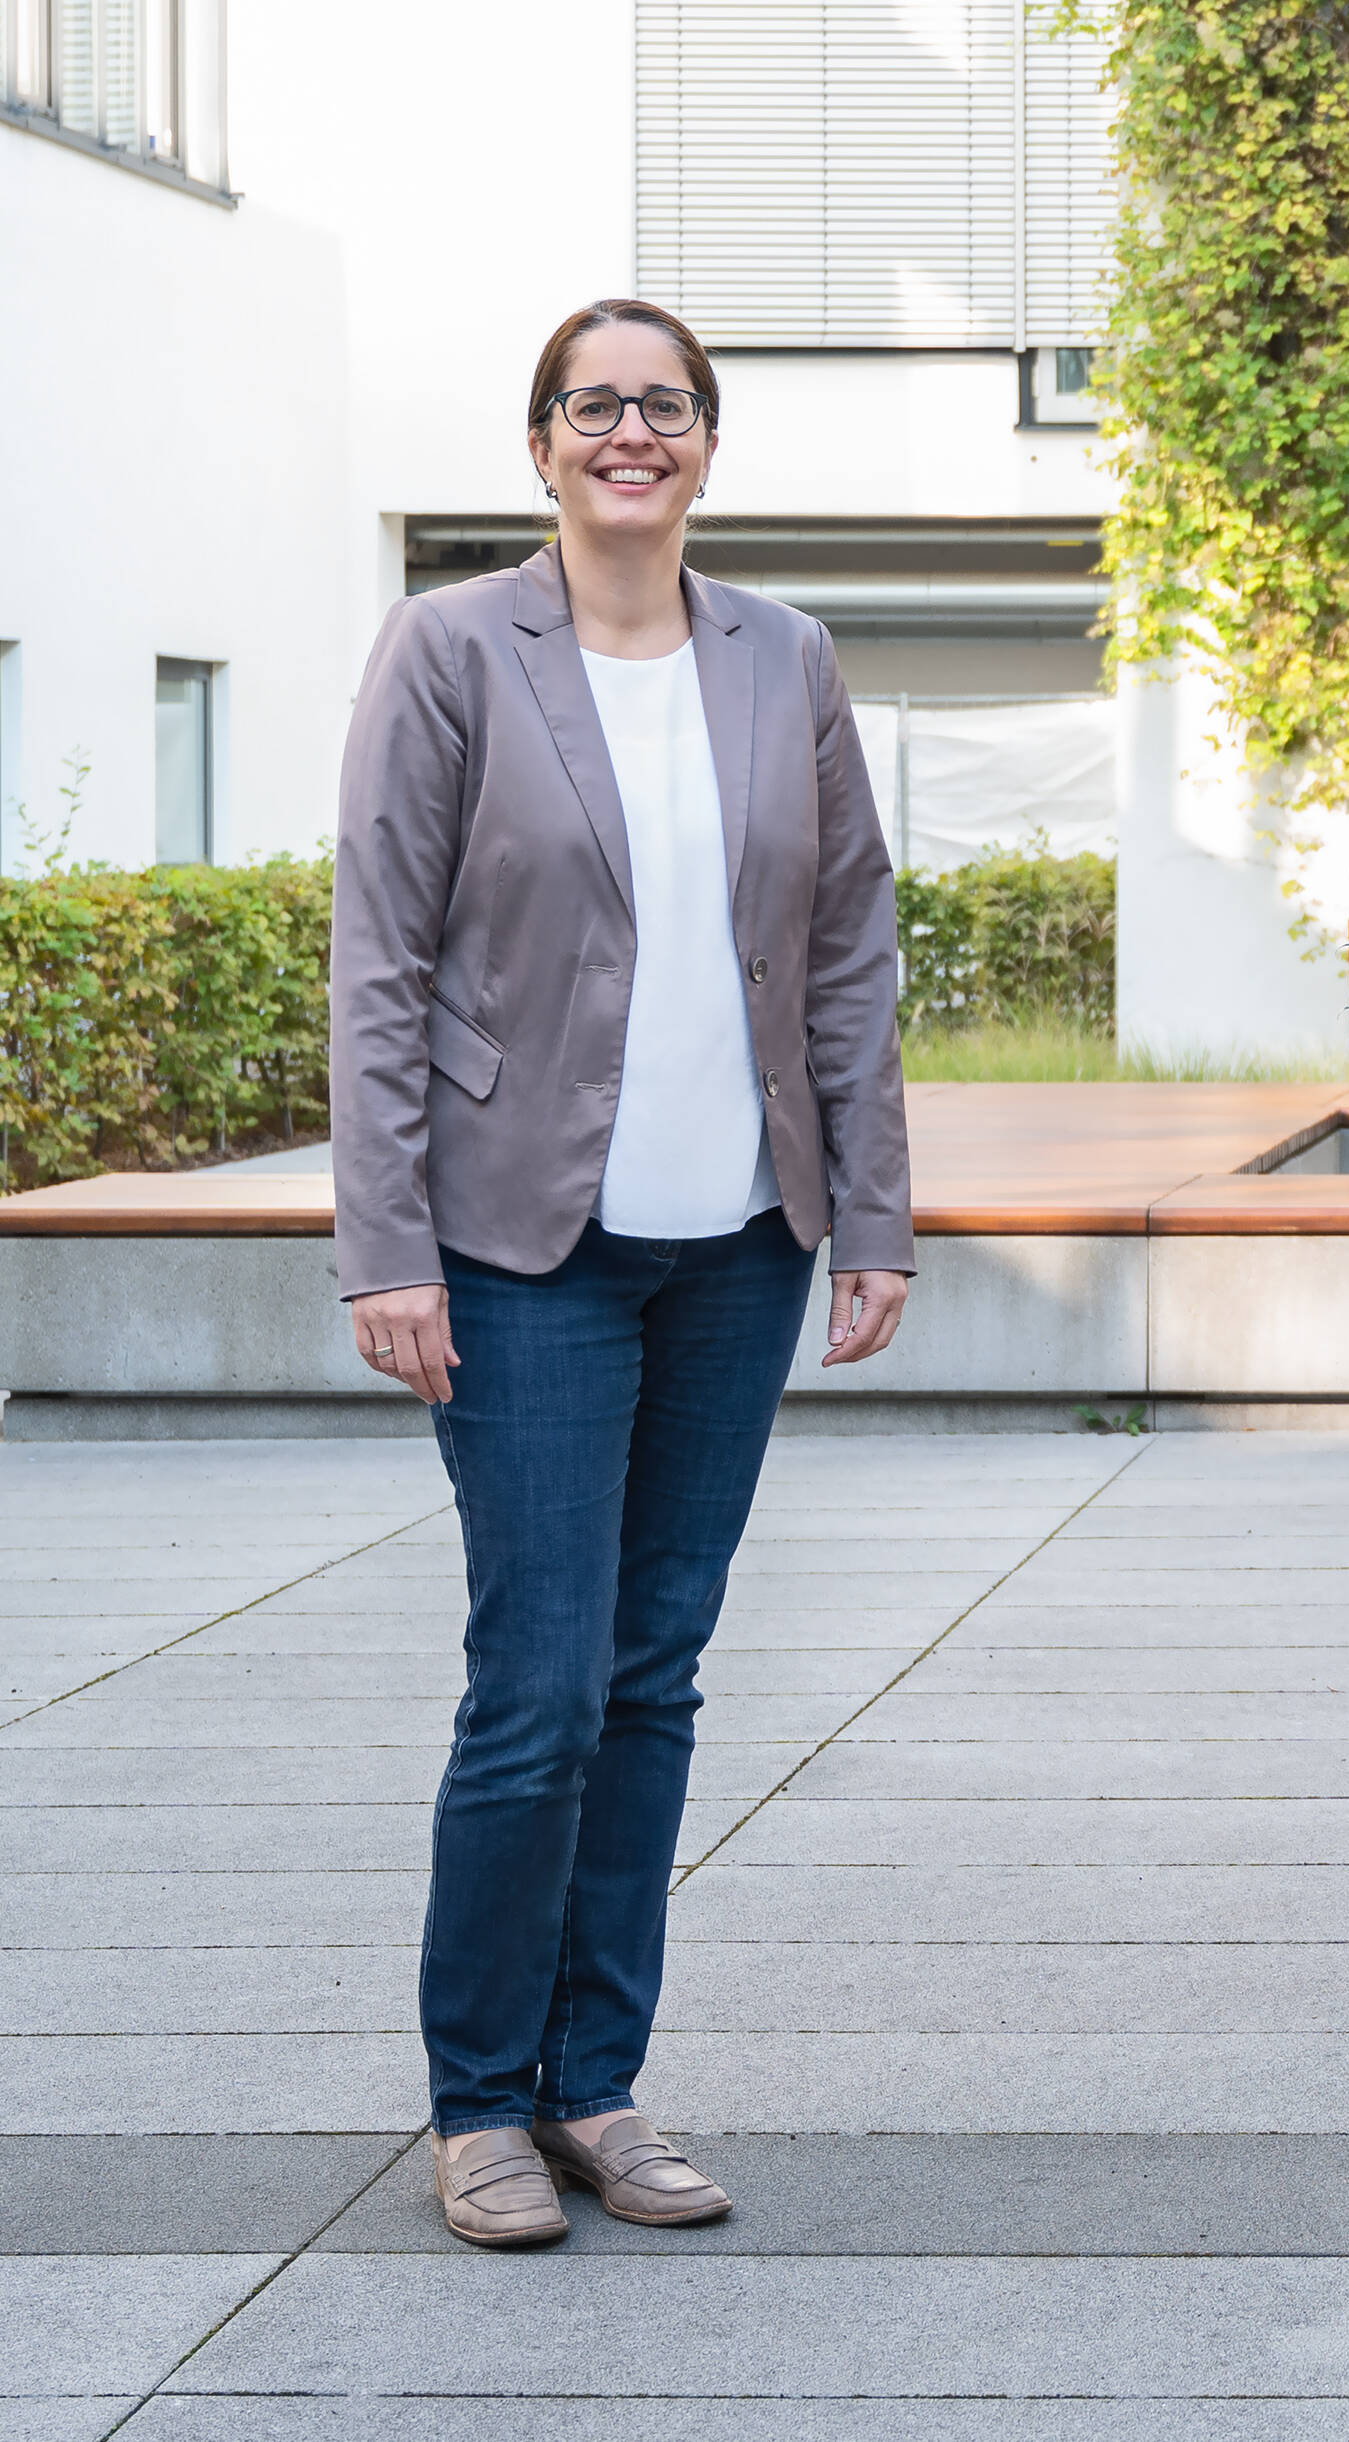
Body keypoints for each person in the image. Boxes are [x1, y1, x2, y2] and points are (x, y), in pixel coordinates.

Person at [331, 298, 915, 2249]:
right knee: (538, 1687)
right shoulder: (449, 652)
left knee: (653, 1679)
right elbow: (382, 968)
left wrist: (874, 1212)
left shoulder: (784, 657)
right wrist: (385, 1244)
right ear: (541, 445)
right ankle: (477, 2106)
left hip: (737, 1240)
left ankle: (598, 2084)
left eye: (664, 407)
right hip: (521, 1253)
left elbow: (846, 951)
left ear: (706, 445)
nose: (631, 436)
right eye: (597, 407)